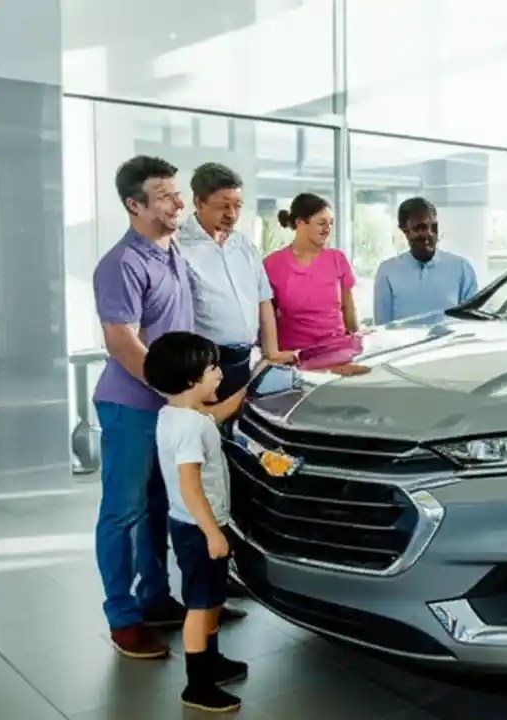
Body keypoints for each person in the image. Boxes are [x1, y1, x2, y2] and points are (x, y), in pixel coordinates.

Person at [91, 155, 193, 659]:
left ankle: (156, 598)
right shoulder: (121, 263)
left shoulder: (173, 250)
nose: (179, 202)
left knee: (157, 505)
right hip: (130, 405)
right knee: (123, 512)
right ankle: (122, 616)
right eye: (165, 194)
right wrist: (174, 387)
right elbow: (122, 343)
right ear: (134, 205)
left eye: (177, 192)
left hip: (168, 405)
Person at [143, 331, 252, 713]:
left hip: (189, 524)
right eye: (212, 369)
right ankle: (198, 684)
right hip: (199, 528)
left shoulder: (175, 414)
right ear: (191, 380)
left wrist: (254, 382)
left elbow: (217, 413)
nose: (220, 375)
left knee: (212, 600)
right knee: (201, 606)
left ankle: (213, 662)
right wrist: (213, 533)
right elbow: (190, 485)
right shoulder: (191, 426)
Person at [178, 162, 297, 402]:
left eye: (237, 205)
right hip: (205, 367)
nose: (231, 214)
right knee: (209, 433)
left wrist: (271, 351)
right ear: (199, 203)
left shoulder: (243, 245)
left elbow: (263, 298)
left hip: (245, 361)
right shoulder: (180, 247)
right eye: (223, 206)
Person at [263, 193, 360, 352]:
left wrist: (357, 343)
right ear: (300, 222)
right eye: (321, 223)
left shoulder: (337, 259)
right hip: (294, 356)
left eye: (331, 223)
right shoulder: (272, 264)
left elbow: (349, 309)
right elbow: (267, 318)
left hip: (337, 350)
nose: (327, 229)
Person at [372, 197, 479, 325]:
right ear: (404, 230)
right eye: (420, 228)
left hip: (449, 344)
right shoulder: (387, 271)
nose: (429, 234)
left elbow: (471, 324)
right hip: (404, 344)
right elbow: (383, 328)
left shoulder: (462, 269)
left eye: (434, 227)